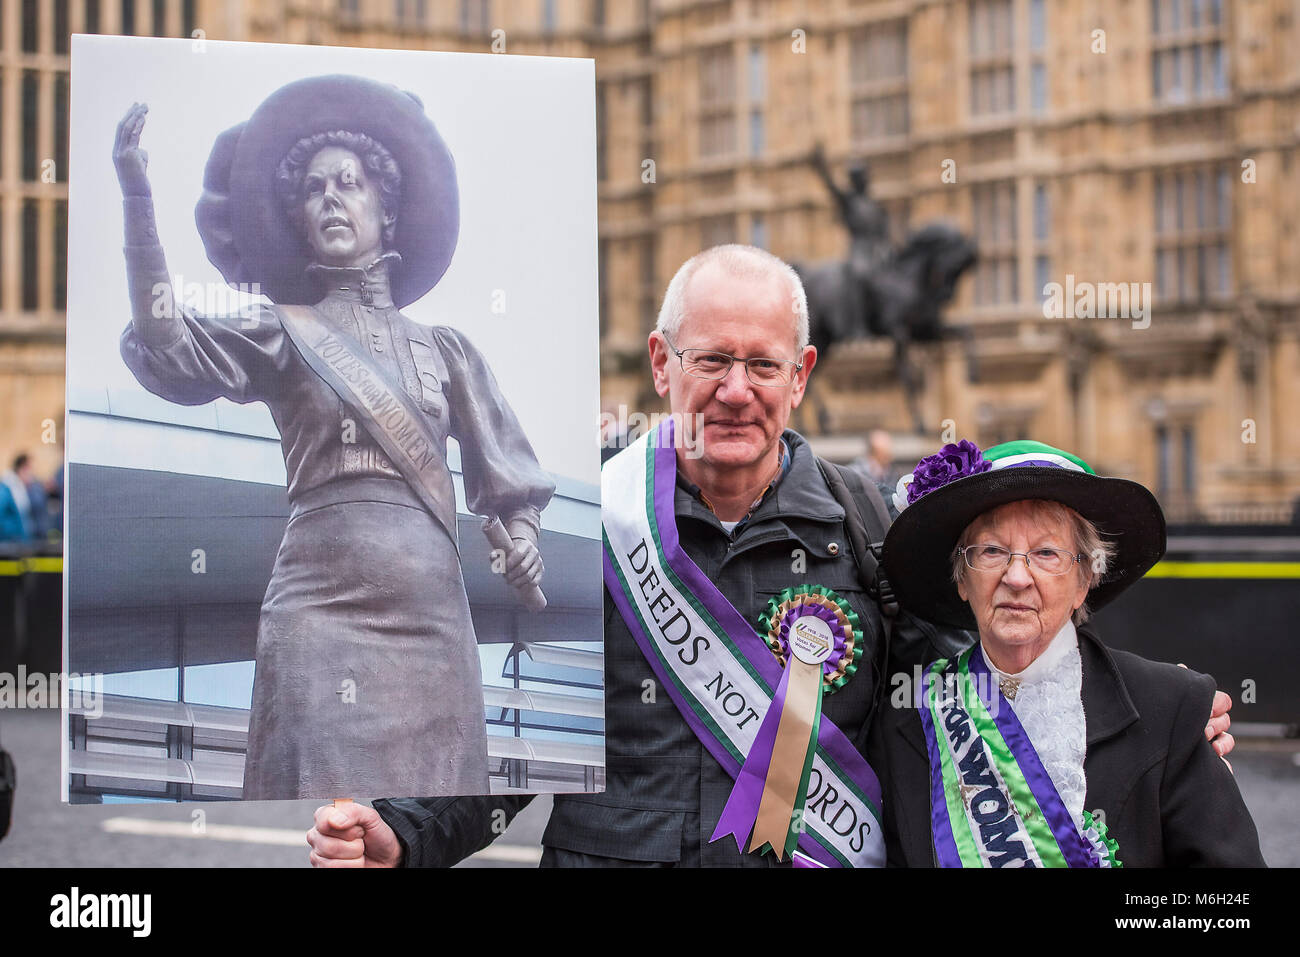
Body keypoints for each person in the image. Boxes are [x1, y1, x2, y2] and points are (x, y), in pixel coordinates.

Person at [307, 247, 1236, 867]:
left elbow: (960, 711)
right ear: (662, 363)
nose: (736, 391)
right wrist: (405, 827)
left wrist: (1163, 721)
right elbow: (520, 739)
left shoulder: (868, 523)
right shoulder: (591, 518)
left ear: (802, 375)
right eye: (712, 360)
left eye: (763, 365)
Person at [112, 75, 553, 800]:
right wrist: (137, 204)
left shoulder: (446, 350)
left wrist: (525, 532)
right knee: (311, 807)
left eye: (349, 183)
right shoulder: (283, 329)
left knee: (428, 815)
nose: (330, 198)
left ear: (386, 206)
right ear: (299, 216)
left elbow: (512, 489)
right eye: (314, 188)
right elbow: (169, 343)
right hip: (318, 608)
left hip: (431, 619)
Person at [872, 439, 1263, 866]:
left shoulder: (1171, 708)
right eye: (992, 551)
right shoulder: (908, 720)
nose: (1017, 577)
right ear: (962, 580)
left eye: (1046, 553)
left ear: (1083, 582)